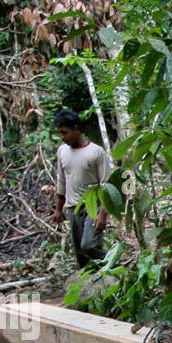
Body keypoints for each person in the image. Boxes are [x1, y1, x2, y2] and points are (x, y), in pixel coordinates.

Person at [51, 109, 111, 267]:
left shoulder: (96, 152)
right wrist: (58, 209)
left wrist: (102, 214)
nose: (63, 138)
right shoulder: (62, 151)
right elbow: (61, 181)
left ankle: (111, 261)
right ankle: (88, 284)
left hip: (93, 206)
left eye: (65, 133)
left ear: (76, 129)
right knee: (80, 254)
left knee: (88, 245)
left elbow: (106, 185)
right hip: (73, 207)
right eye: (60, 133)